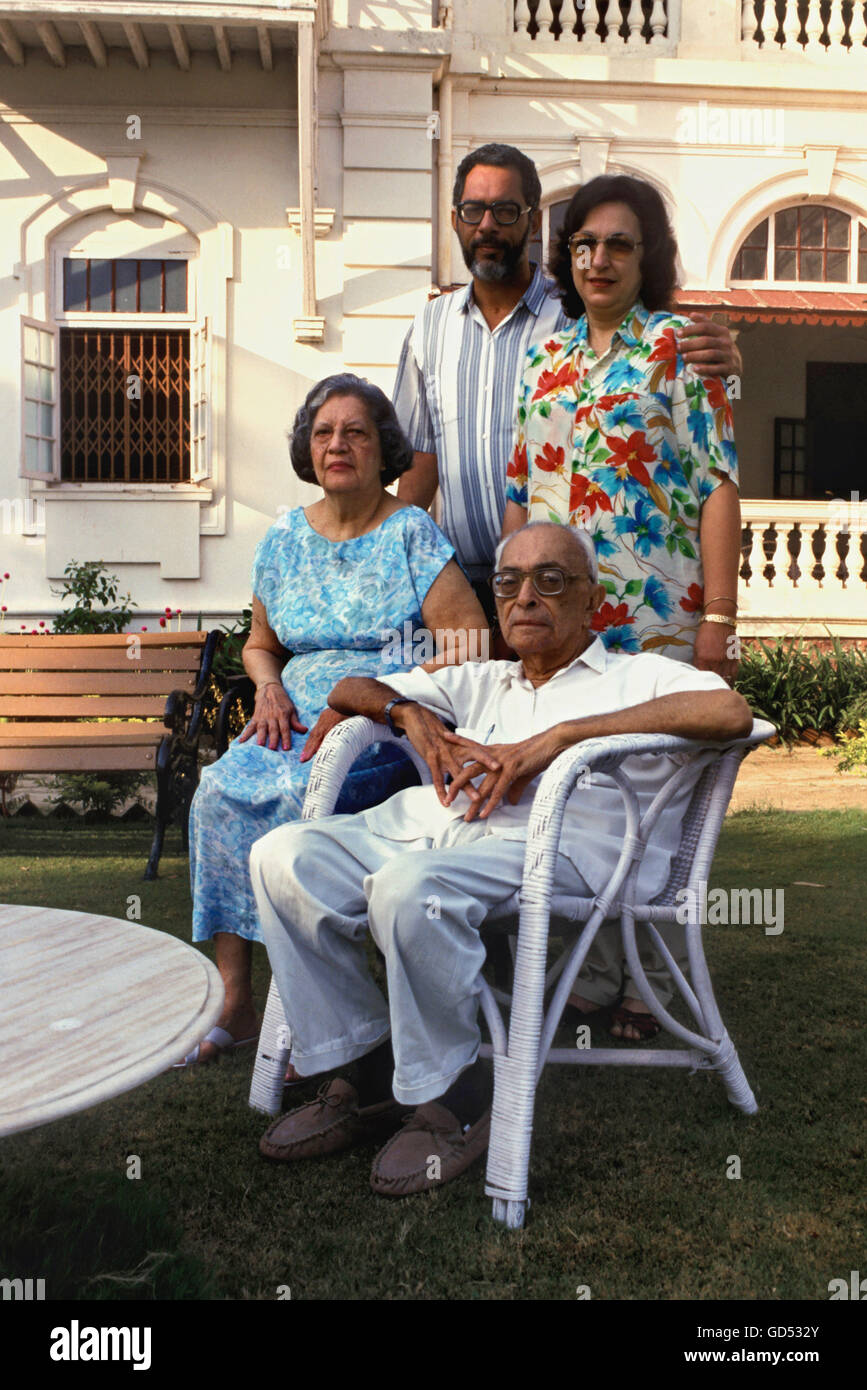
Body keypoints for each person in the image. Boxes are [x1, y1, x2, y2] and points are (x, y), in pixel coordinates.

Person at [249, 522, 752, 1196]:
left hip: (559, 849)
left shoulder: (632, 674)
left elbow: (728, 710)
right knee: (281, 855)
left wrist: (563, 736)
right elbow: (347, 687)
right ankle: (367, 1064)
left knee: (408, 889)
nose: (524, 598)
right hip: (431, 832)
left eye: (549, 580)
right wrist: (407, 713)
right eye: (508, 583)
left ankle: (460, 1095)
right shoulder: (478, 680)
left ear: (588, 600)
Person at [179, 374, 488, 1066]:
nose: (337, 444)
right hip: (287, 724)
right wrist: (266, 690)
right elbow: (261, 644)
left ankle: (320, 1007)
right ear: (307, 450)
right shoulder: (285, 536)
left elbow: (468, 646)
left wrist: (386, 696)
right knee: (217, 796)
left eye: (355, 432)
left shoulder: (410, 532)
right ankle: (239, 1001)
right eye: (323, 432)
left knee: (297, 802)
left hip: (372, 728)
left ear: (384, 450)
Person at [501, 173, 742, 1039]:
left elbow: (716, 482)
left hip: (655, 615)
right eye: (582, 245)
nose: (598, 259)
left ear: (648, 258)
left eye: (618, 245)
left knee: (653, 797)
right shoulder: (542, 356)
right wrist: (516, 596)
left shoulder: (681, 346)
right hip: (564, 621)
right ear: (565, 258)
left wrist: (719, 617)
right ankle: (591, 975)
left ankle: (639, 986)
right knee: (572, 796)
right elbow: (521, 492)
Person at [392, 143, 740, 609]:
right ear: (456, 218)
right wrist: (404, 586)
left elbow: (709, 469)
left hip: (614, 600)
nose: (488, 225)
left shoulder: (579, 311)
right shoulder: (438, 330)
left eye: (506, 210)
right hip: (469, 587)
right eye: (474, 210)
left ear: (535, 222)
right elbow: (421, 466)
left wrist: (731, 362)